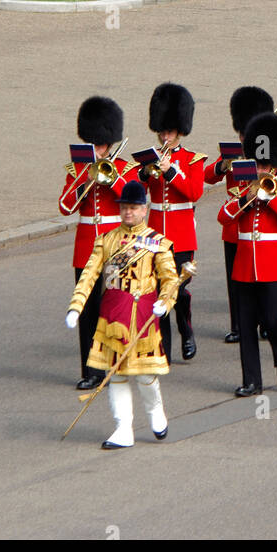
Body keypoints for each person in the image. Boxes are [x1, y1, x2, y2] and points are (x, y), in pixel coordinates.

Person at [65, 180, 180, 449]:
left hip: (142, 315)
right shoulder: (106, 240)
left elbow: (170, 278)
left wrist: (165, 302)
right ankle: (123, 428)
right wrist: (76, 306)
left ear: (144, 209)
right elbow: (89, 275)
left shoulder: (157, 243)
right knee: (115, 374)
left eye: (133, 208)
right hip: (113, 314)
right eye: (125, 208)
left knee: (143, 374)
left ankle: (155, 413)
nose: (128, 213)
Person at [217, 113, 277, 396]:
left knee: (272, 320)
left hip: (272, 265)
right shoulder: (242, 188)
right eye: (259, 164)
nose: (263, 170)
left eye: (267, 165)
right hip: (243, 267)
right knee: (247, 324)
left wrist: (270, 196)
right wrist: (245, 199)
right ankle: (251, 380)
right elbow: (223, 217)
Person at [58, 96, 133, 391]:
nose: (96, 147)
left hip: (116, 246)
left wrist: (109, 179)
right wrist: (83, 182)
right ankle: (90, 370)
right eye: (92, 142)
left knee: (114, 309)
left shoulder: (123, 167)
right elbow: (65, 207)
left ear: (109, 142)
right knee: (87, 311)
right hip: (86, 247)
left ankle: (115, 364)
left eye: (100, 143)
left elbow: (130, 196)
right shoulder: (77, 169)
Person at [138, 82, 205, 363]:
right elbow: (138, 195)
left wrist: (171, 173)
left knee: (179, 291)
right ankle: (162, 344)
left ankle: (186, 331)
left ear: (180, 131)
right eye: (162, 131)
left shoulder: (192, 159)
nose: (166, 136)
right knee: (157, 292)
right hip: (155, 234)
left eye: (170, 132)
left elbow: (194, 193)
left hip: (182, 234)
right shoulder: (151, 159)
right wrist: (142, 176)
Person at [204, 85, 274, 344]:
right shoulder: (234, 150)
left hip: (261, 224)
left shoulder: (268, 152)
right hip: (234, 225)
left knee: (263, 280)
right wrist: (224, 164)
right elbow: (208, 176)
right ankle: (238, 325)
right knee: (236, 282)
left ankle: (266, 323)